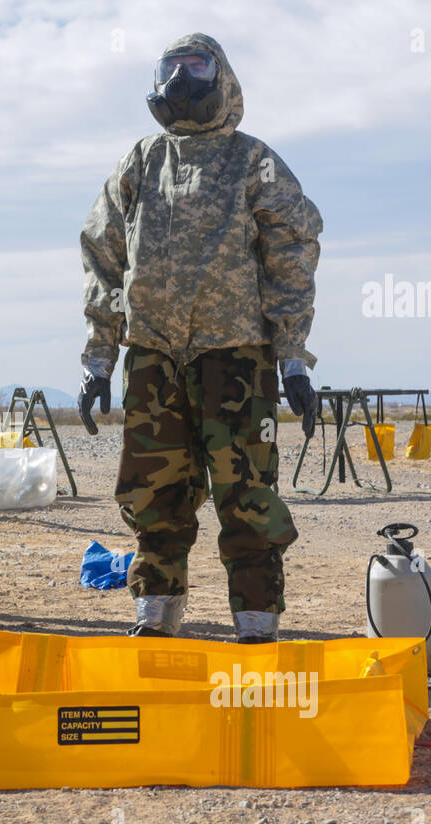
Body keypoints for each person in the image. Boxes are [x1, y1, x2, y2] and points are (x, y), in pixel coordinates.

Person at [77, 33, 323, 642]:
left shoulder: (252, 159)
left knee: (246, 493)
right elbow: (103, 257)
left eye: (196, 67)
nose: (181, 79)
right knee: (154, 492)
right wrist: (99, 359)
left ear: (222, 79)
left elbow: (291, 255)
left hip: (236, 356)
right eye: (172, 68)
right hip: (152, 355)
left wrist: (292, 358)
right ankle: (156, 613)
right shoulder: (141, 160)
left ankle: (257, 620)